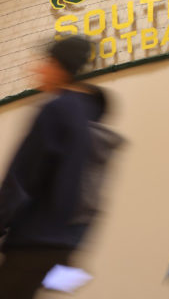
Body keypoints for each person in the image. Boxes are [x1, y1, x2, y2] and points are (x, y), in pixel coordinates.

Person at [0, 36, 101, 299]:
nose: (36, 69)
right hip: (60, 242)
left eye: (45, 62)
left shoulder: (56, 109)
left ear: (59, 66)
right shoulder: (84, 114)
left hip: (32, 240)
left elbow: (23, 176)